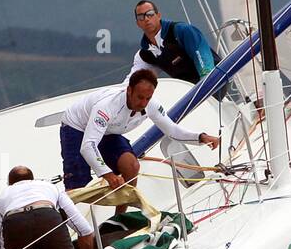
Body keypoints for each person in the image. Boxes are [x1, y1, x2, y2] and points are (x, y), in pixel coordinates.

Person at [60, 69, 219, 202]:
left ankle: (121, 217)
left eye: (147, 98)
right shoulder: (107, 106)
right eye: (140, 97)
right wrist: (108, 175)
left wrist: (201, 137)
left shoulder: (151, 105)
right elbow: (88, 146)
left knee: (131, 165)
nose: (143, 103)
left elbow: (171, 129)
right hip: (76, 127)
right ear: (129, 91)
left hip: (109, 130)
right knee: (79, 187)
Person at [130, 0, 218, 86]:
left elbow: (201, 54)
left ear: (158, 15)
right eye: (141, 17)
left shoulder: (182, 31)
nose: (146, 19)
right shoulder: (146, 53)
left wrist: (206, 78)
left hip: (215, 79)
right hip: (188, 90)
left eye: (150, 14)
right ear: (138, 23)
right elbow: (135, 80)